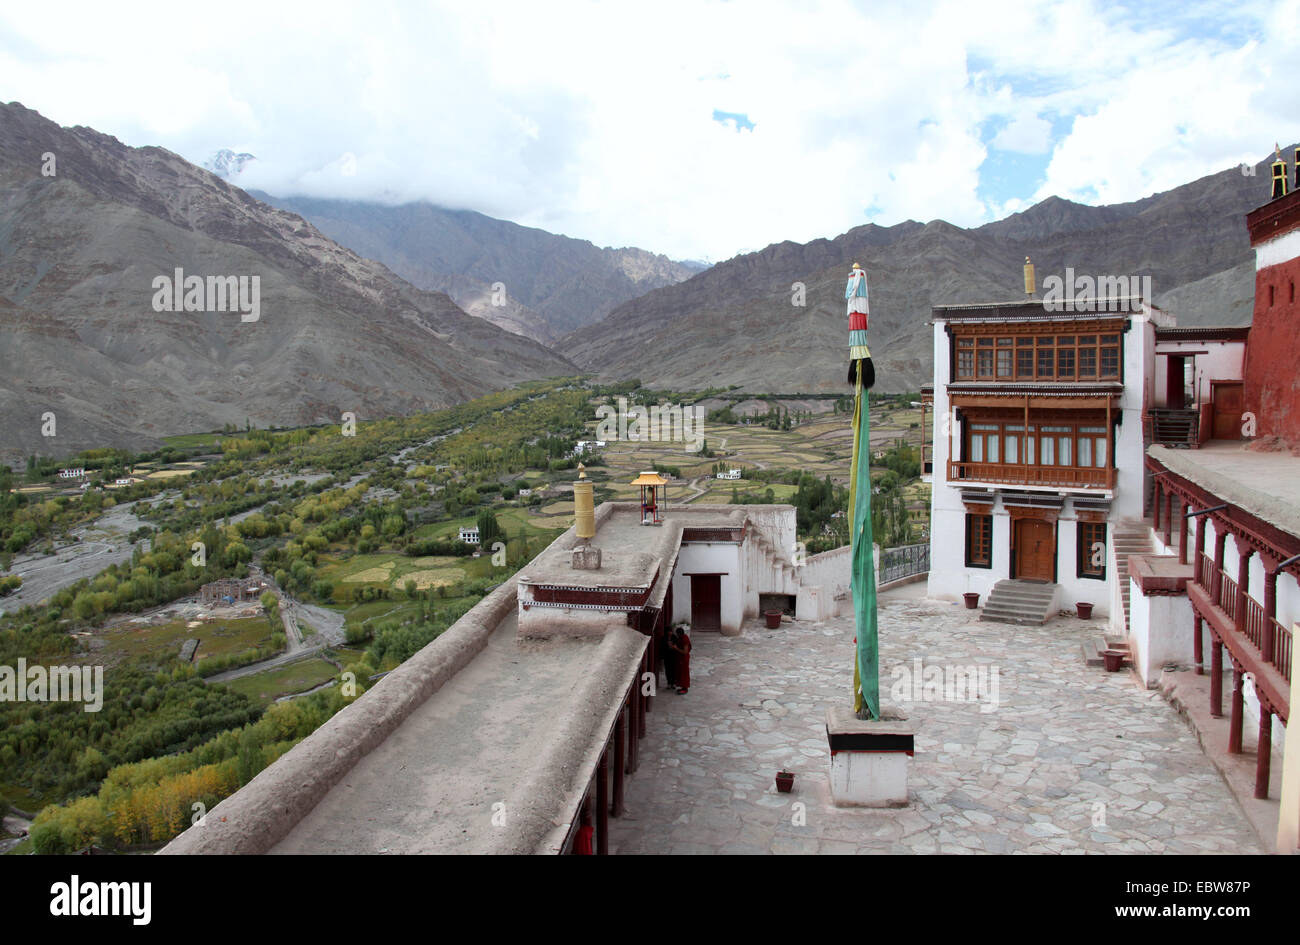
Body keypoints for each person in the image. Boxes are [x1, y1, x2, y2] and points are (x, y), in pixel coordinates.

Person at [669, 626, 692, 694]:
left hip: (684, 659)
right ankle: (682, 687)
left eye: (677, 634)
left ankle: (685, 688)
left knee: (684, 673)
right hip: (680, 659)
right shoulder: (681, 638)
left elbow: (685, 652)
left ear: (679, 634)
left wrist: (676, 648)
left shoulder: (685, 639)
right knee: (681, 673)